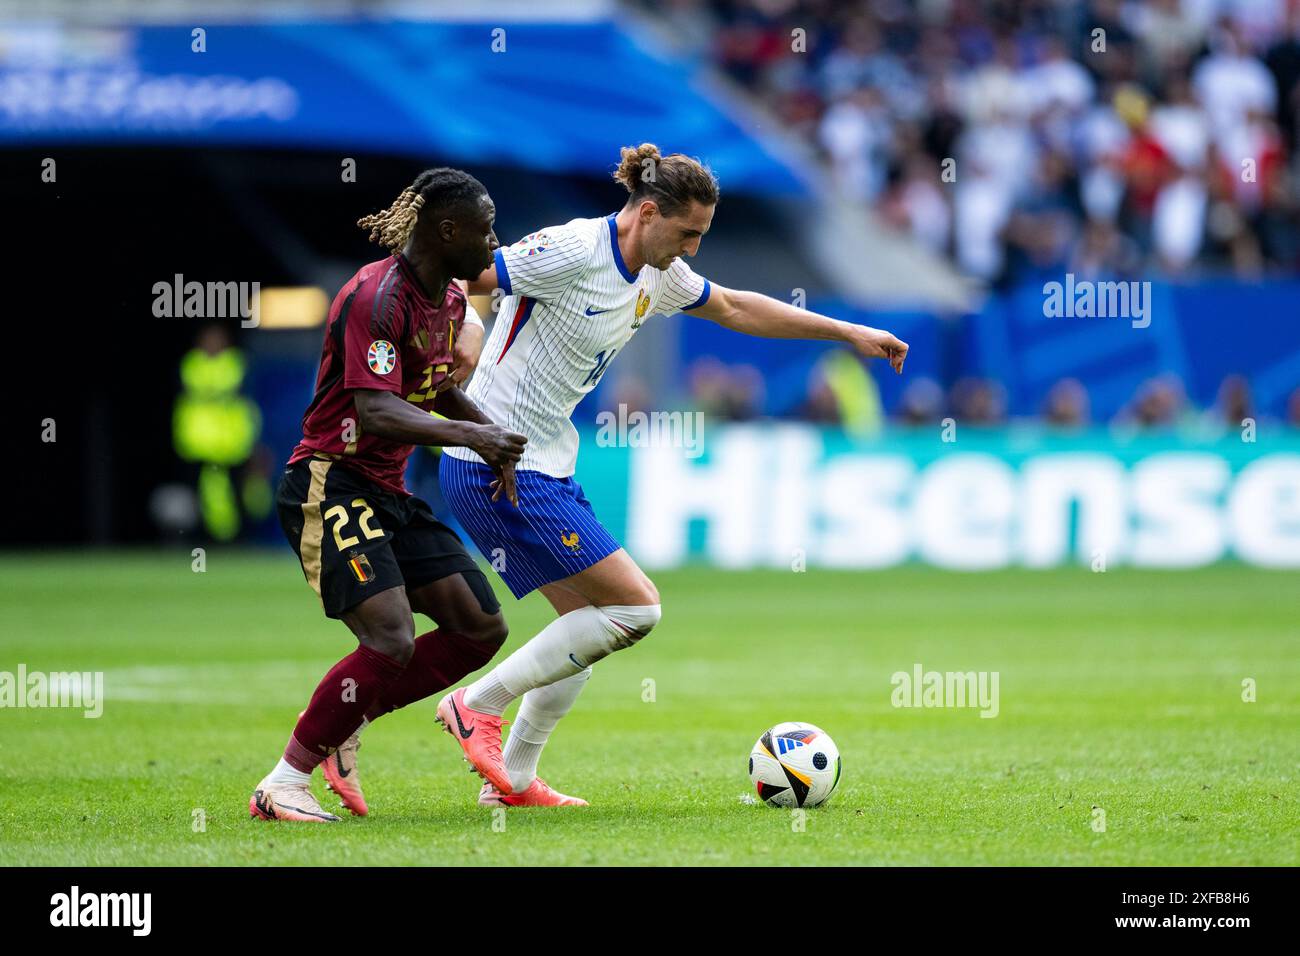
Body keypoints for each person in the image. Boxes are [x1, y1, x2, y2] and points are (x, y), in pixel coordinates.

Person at [249, 168, 527, 822]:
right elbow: (374, 409)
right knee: (390, 639)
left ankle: (342, 714)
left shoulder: (450, 299)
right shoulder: (375, 297)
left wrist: (494, 435)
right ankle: (283, 783)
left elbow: (429, 390)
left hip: (388, 488)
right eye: (485, 229)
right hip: (330, 479)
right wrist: (470, 436)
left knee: (478, 627)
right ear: (447, 229)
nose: (495, 242)